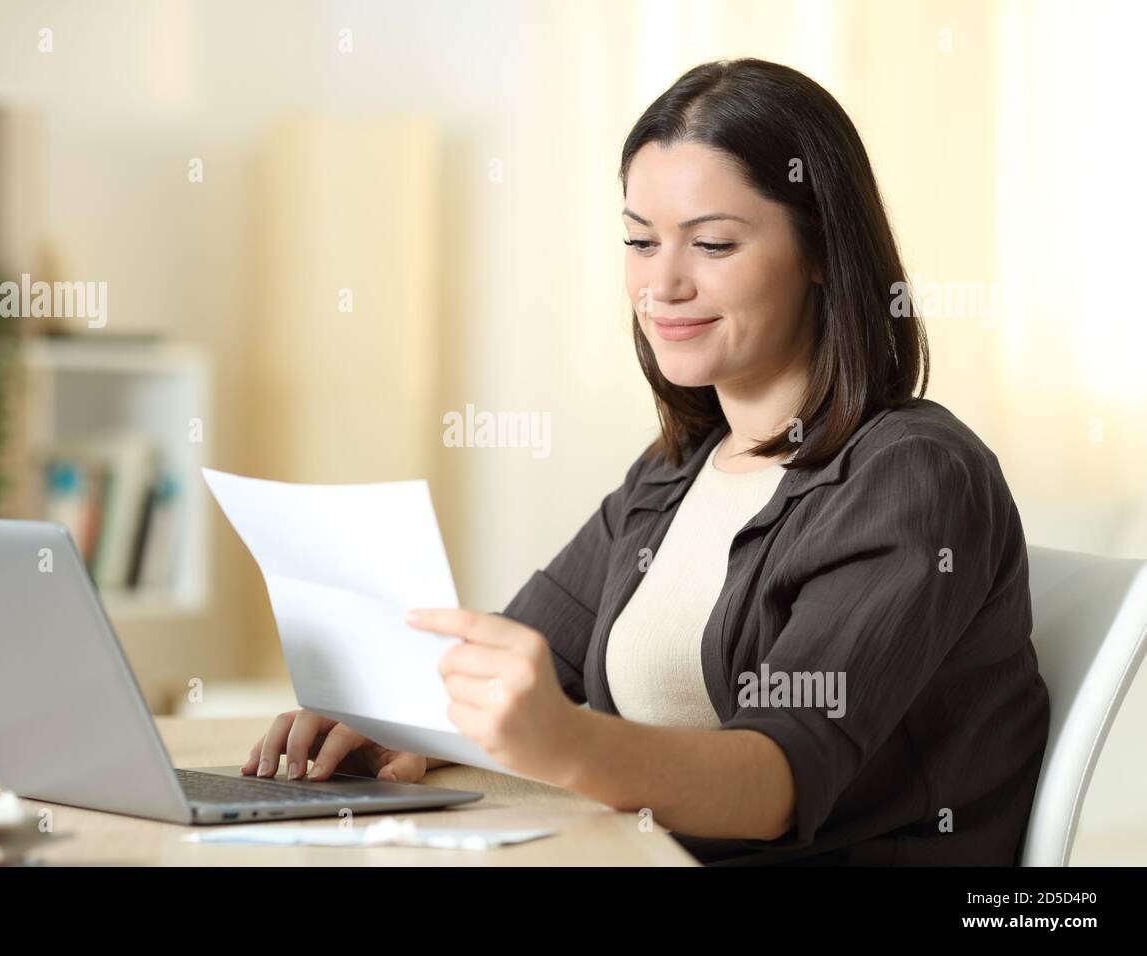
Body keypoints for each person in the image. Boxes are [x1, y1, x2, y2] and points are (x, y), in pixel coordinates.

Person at [241, 57, 1050, 866]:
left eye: (713, 243)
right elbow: (534, 657)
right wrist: (400, 723)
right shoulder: (676, 470)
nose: (661, 283)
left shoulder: (913, 478)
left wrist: (566, 745)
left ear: (820, 250)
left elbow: (777, 783)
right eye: (639, 240)